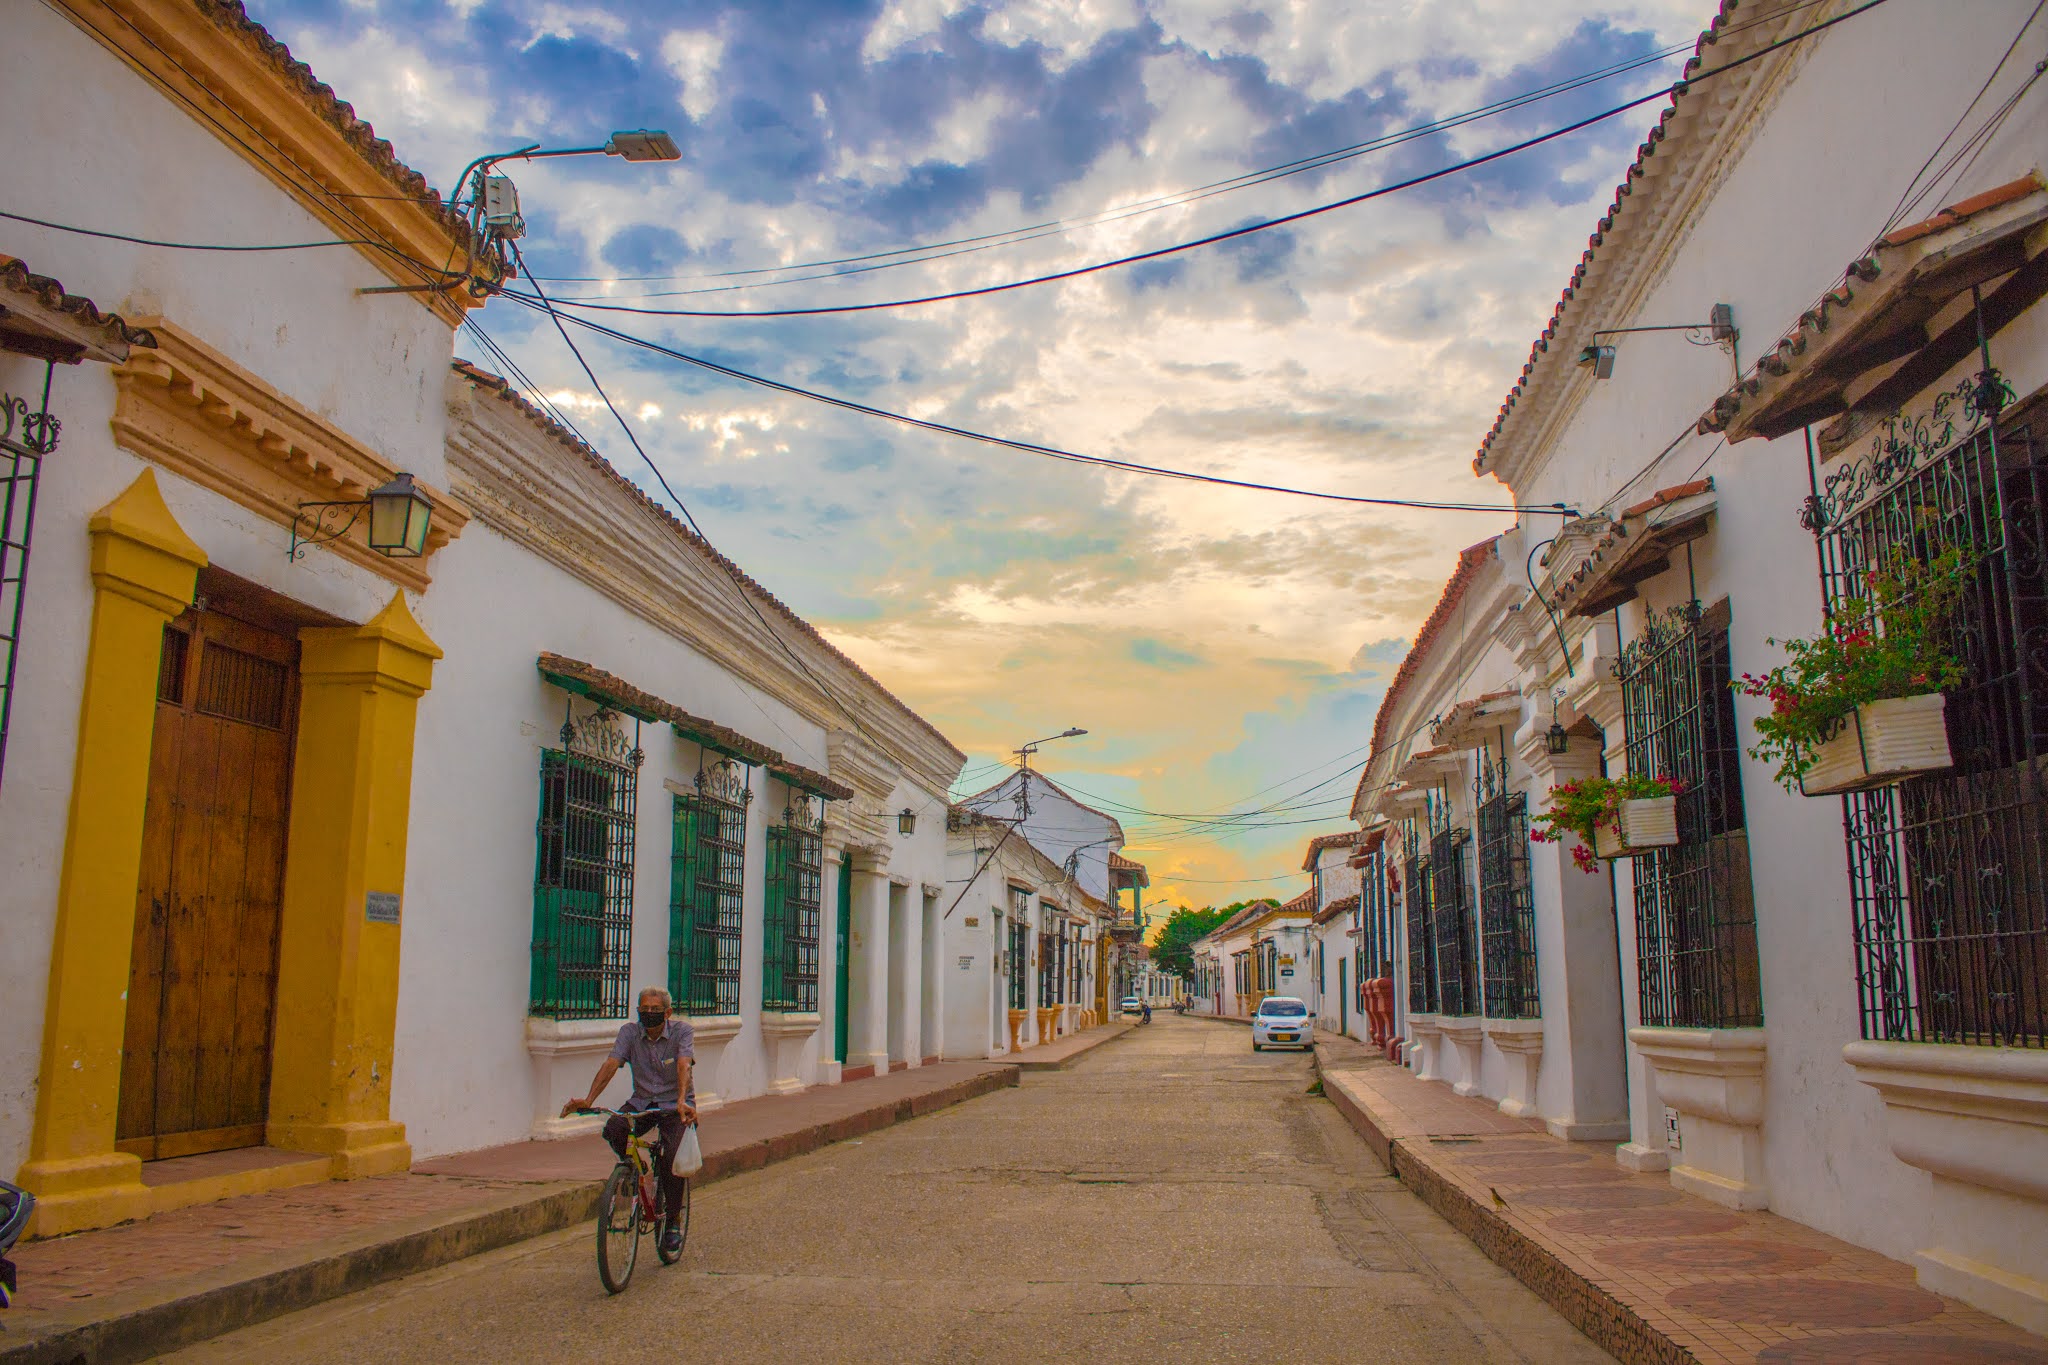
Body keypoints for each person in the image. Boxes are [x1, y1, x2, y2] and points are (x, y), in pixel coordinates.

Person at [564, 986, 696, 1256]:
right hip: (642, 1102)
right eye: (643, 1009)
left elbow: (684, 1064)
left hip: (675, 1105)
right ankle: (637, 1169)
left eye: (655, 1011)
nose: (648, 1014)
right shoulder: (629, 1033)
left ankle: (672, 1222)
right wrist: (589, 1099)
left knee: (672, 1158)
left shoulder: (682, 1032)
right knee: (614, 1128)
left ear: (667, 1013)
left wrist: (683, 1100)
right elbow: (612, 1063)